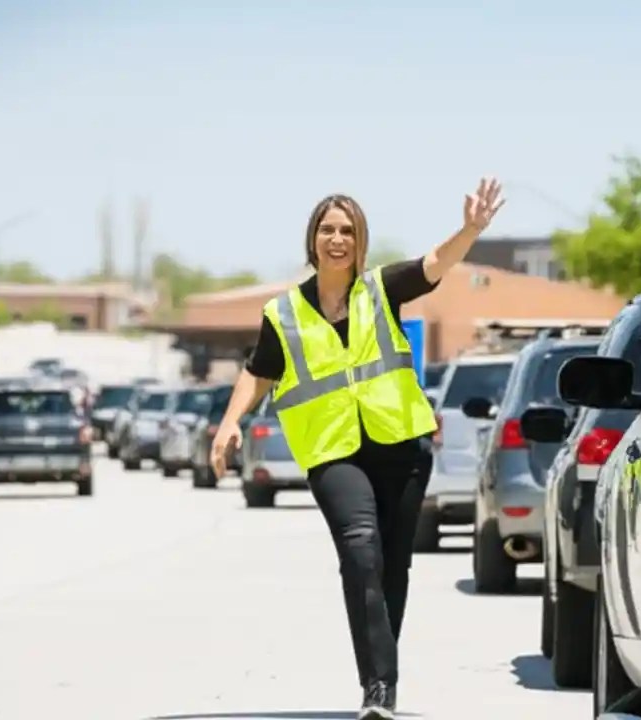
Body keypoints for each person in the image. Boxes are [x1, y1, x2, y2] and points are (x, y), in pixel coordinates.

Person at [210, 178, 505, 720]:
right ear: (313, 240)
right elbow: (258, 373)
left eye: (347, 230)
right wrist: (231, 421)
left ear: (359, 241)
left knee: (393, 568)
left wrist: (472, 228)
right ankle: (379, 688)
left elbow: (435, 263)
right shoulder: (285, 314)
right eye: (327, 229)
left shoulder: (381, 289)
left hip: (401, 444)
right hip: (332, 451)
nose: (337, 238)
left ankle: (382, 679)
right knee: (360, 551)